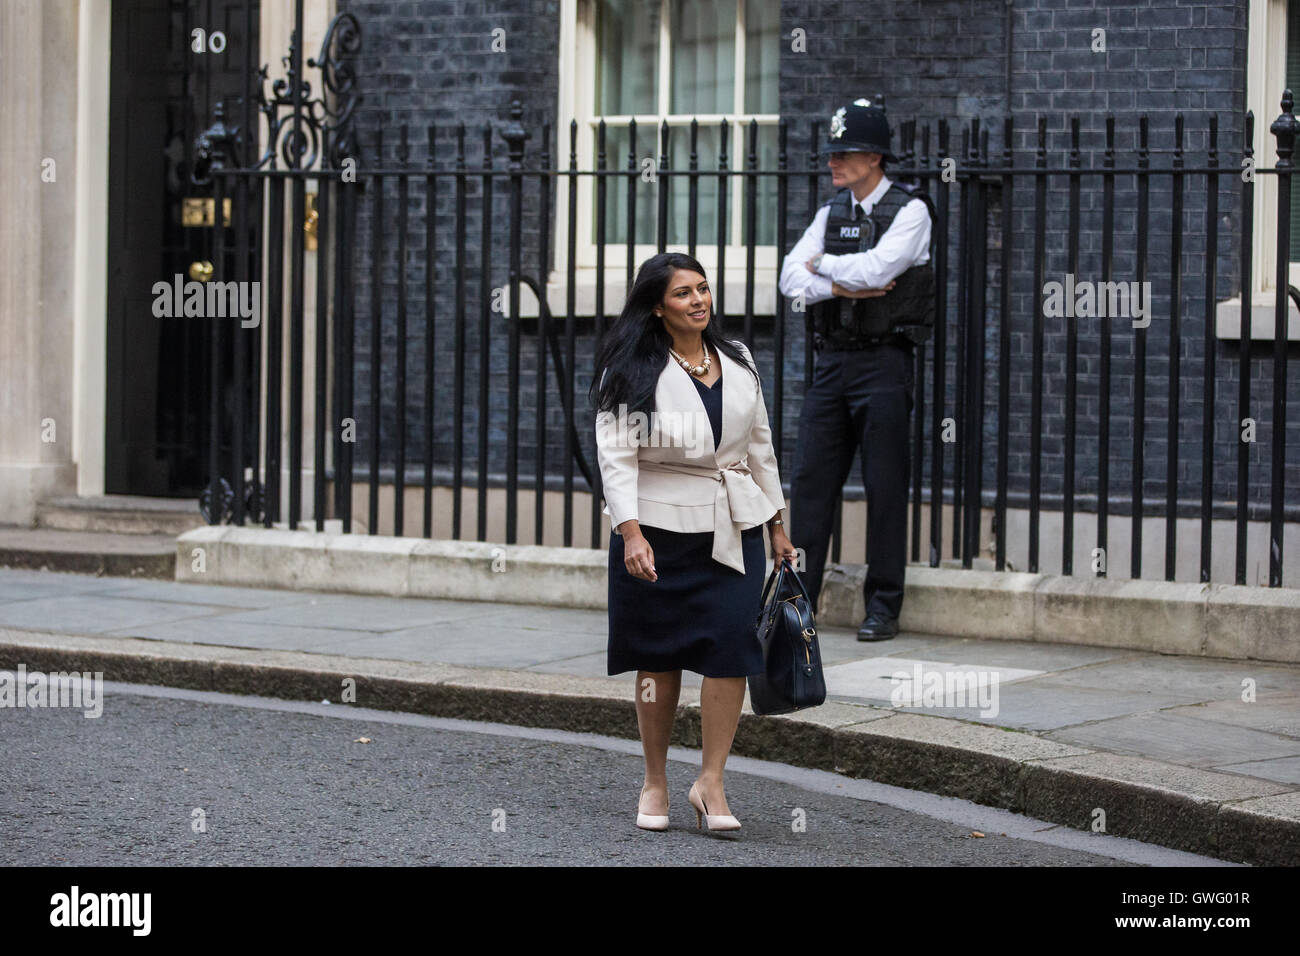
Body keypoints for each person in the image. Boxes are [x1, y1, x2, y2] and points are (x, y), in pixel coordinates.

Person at [592, 252, 797, 833]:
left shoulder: (738, 359)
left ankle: (711, 782)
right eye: (683, 293)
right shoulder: (630, 366)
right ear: (658, 306)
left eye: (703, 289)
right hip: (655, 530)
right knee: (657, 657)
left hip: (733, 527)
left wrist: (777, 523)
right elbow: (615, 456)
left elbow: (760, 446)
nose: (699, 300)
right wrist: (629, 531)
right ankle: (655, 780)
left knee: (730, 651)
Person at [778, 98, 936, 642]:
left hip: (885, 362)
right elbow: (788, 278)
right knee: (811, 483)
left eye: (843, 153)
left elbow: (881, 269)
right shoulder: (830, 214)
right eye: (832, 153)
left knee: (885, 485)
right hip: (833, 361)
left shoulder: (911, 211)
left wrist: (821, 266)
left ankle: (883, 606)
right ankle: (797, 607)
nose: (833, 163)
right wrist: (837, 281)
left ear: (873, 157)